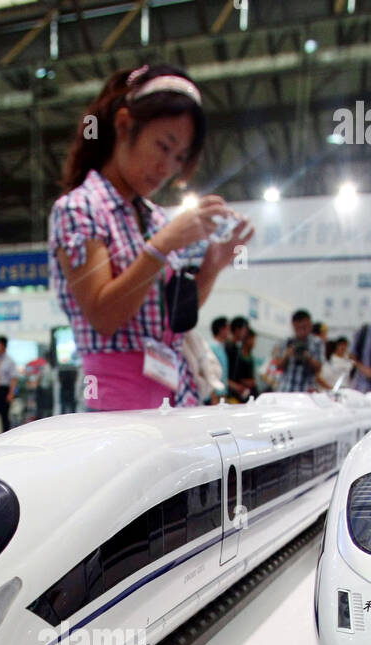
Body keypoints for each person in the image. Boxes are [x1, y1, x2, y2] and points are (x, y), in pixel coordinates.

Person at [49, 62, 253, 411]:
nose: (168, 167)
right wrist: (160, 247)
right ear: (124, 125)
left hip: (176, 401)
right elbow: (104, 315)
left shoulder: (155, 217)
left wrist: (212, 266)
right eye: (162, 146)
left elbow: (172, 318)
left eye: (179, 157)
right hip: (117, 411)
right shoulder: (79, 209)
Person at [270, 310, 324, 392]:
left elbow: (318, 369)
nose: (302, 331)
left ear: (310, 325)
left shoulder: (317, 342)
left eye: (304, 327)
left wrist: (308, 358)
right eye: (298, 328)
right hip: (285, 389)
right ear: (293, 326)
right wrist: (286, 355)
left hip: (306, 391)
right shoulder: (286, 341)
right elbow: (277, 367)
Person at [209, 316, 229, 387]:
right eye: (227, 328)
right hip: (214, 391)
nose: (229, 332)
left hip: (221, 389)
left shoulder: (221, 347)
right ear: (221, 330)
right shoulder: (212, 347)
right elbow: (209, 372)